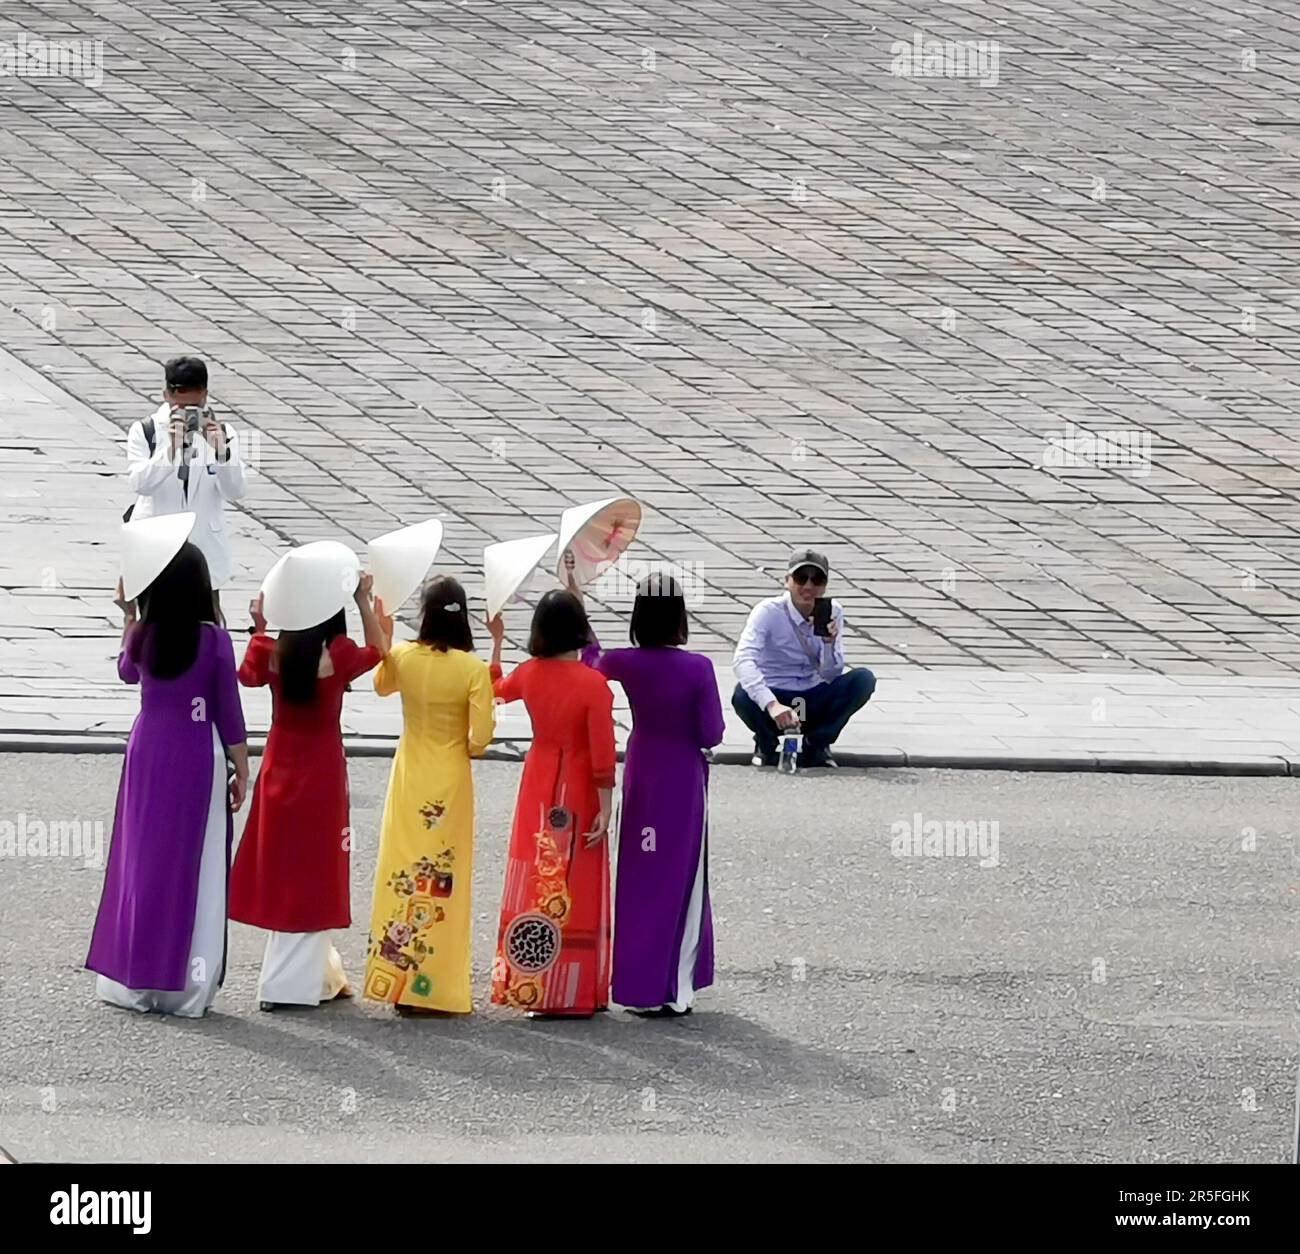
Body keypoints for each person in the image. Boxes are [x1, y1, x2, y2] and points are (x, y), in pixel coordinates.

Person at [86, 542, 250, 1017]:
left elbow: (125, 674)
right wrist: (243, 767)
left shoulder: (143, 635)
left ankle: (137, 976)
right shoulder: (215, 640)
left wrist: (130, 614)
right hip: (199, 754)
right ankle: (186, 986)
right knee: (194, 865)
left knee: (142, 860)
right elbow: (229, 711)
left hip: (148, 752)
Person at [229, 574, 386, 1011]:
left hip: (279, 765)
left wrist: (259, 625)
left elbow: (246, 676)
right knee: (315, 874)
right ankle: (298, 981)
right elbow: (379, 650)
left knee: (282, 870)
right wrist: (362, 600)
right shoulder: (337, 654)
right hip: (322, 773)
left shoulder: (272, 651)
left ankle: (306, 976)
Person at [579, 572, 725, 1016]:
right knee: (680, 877)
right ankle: (674, 984)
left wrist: (576, 597)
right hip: (682, 778)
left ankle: (638, 983)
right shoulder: (698, 668)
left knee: (641, 876)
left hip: (643, 773)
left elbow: (591, 663)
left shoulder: (626, 663)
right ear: (680, 616)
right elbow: (712, 732)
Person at [363, 577, 495, 1015]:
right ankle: (436, 987)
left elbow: (381, 686)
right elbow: (481, 738)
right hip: (450, 780)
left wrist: (383, 631)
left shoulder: (404, 654)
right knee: (443, 881)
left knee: (403, 867)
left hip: (410, 776)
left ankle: (396, 979)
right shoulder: (471, 669)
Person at [486, 591, 616, 1017]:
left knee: (536, 871)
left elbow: (496, 693)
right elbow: (602, 753)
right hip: (578, 785)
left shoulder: (530, 673)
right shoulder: (593, 685)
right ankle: (575, 989)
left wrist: (497, 643)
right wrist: (606, 804)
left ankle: (530, 983)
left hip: (539, 779)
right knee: (575, 876)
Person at [125, 356, 246, 620]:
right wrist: (170, 450)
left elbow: (236, 490)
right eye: (180, 406)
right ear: (166, 395)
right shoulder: (145, 430)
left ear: (204, 396)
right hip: (156, 548)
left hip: (204, 552)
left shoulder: (225, 432)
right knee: (153, 631)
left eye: (194, 407)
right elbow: (139, 483)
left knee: (208, 631)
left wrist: (221, 452)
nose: (188, 414)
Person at [732, 549, 875, 768]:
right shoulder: (768, 612)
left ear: (825, 584)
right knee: (742, 693)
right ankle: (765, 743)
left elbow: (831, 673)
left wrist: (829, 644)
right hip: (777, 693)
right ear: (787, 581)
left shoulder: (832, 611)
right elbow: (743, 659)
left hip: (812, 695)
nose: (808, 587)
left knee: (863, 679)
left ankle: (816, 744)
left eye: (816, 580)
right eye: (801, 578)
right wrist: (771, 704)